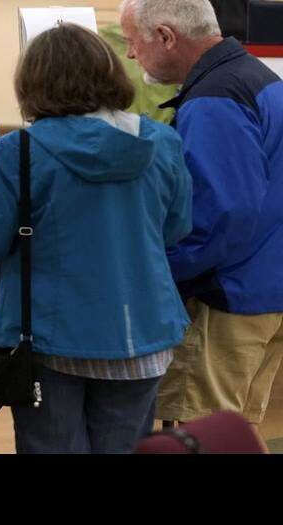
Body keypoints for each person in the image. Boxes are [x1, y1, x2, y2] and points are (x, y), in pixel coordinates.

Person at [0, 23, 193, 453]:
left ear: (32, 83)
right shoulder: (163, 141)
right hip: (140, 330)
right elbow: (176, 229)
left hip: (50, 337)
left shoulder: (21, 150)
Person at [121, 0, 283, 428]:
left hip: (226, 299)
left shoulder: (215, 98)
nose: (130, 55)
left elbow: (221, 216)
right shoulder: (261, 80)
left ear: (166, 36)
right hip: (266, 290)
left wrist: (155, 273)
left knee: (201, 434)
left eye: (132, 42)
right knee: (237, 434)